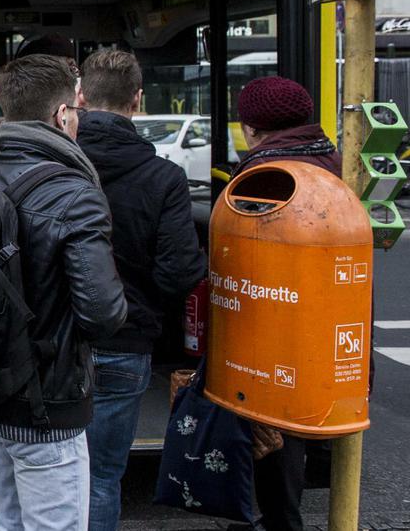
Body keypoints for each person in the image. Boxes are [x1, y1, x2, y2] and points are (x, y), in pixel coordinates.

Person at [0, 54, 128, 531]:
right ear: (62, 116)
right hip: (45, 406)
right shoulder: (76, 195)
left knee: (6, 519)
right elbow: (101, 312)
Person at [75, 49, 207, 531]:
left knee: (43, 471)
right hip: (126, 342)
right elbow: (179, 272)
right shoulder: (164, 178)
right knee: (103, 478)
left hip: (52, 342)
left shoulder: (52, 165)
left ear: (81, 97)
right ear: (138, 100)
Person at [232, 76, 341, 531]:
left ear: (253, 128)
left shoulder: (267, 176)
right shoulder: (333, 162)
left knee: (273, 449)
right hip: (328, 328)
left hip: (277, 335)